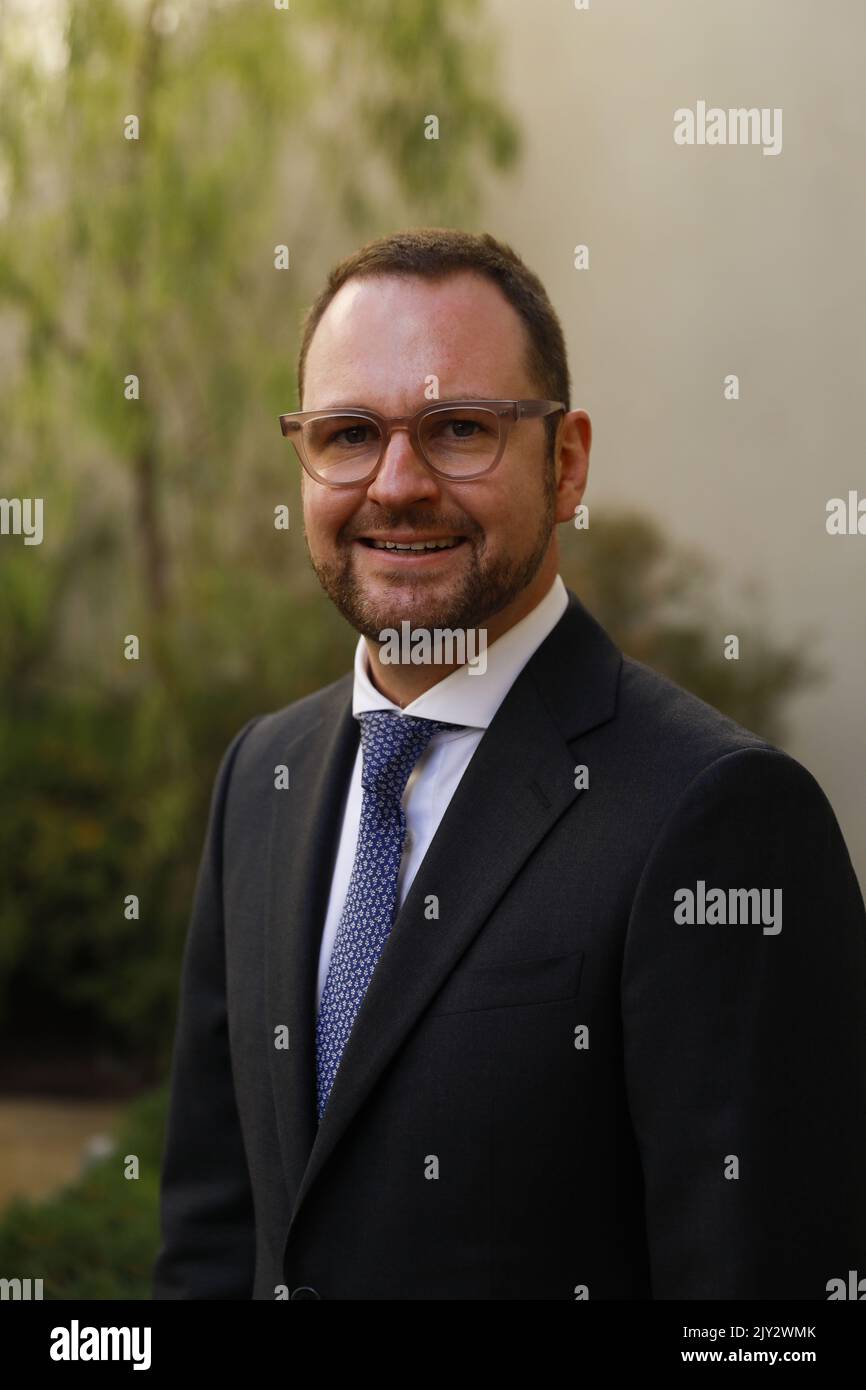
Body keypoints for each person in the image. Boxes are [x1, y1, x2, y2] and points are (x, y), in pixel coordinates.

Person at [152, 227, 866, 1300]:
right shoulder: (263, 776)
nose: (396, 484)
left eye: (458, 429)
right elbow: (215, 1230)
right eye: (348, 433)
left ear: (564, 460)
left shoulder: (723, 816)